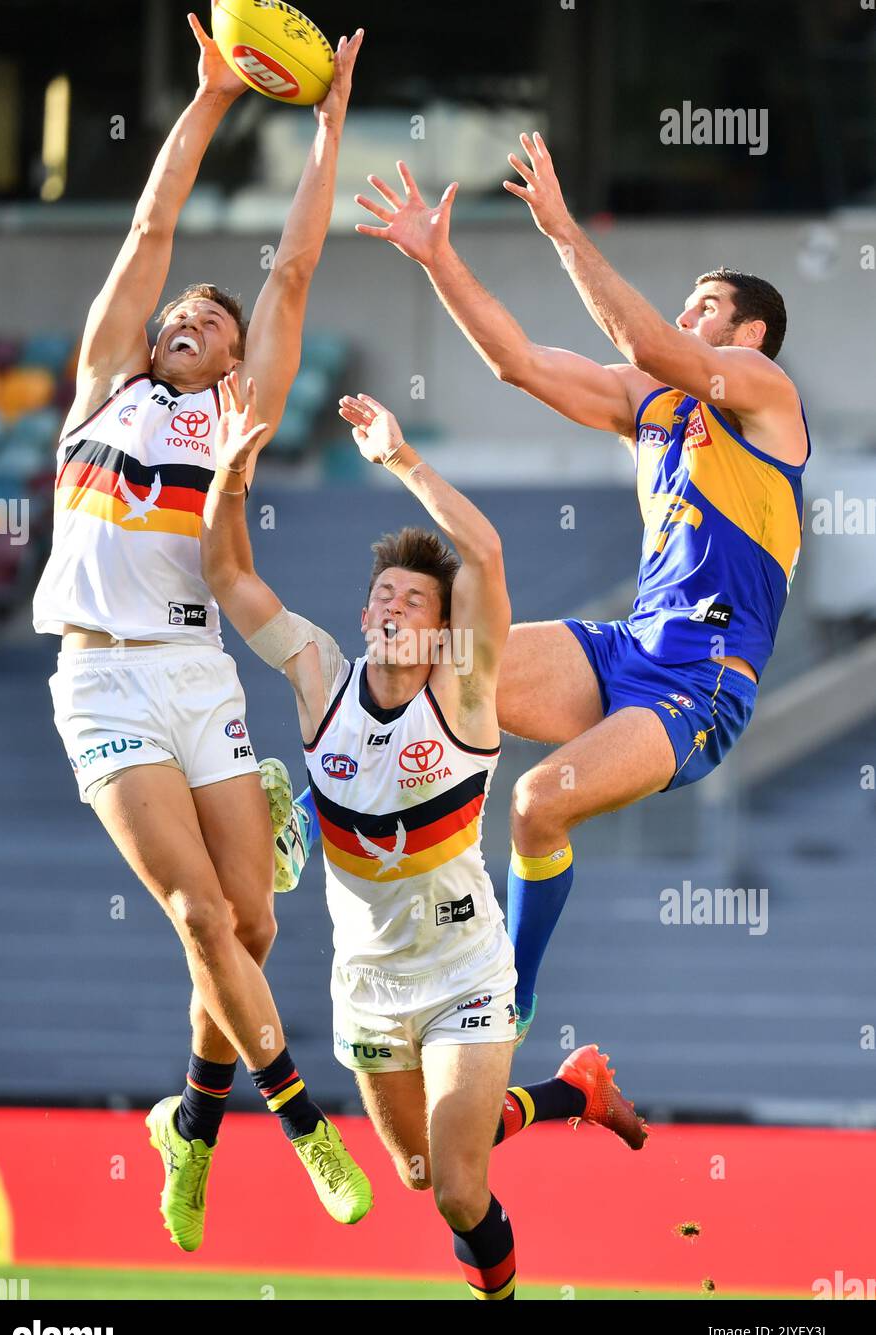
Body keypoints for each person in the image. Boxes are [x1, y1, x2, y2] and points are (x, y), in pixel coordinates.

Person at [273, 135, 810, 1043]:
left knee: (536, 804)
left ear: (748, 333)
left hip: (701, 681)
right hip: (630, 648)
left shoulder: (763, 391)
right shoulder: (657, 411)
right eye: (685, 305)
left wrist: (561, 228)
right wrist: (440, 257)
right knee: (436, 662)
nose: (684, 319)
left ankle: (510, 999)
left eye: (704, 308)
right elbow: (516, 361)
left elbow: (641, 339)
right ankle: (315, 805)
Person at [31, 16, 371, 1251]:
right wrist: (216, 96)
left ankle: (188, 1118)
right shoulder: (104, 387)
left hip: (194, 669)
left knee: (257, 927)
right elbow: (150, 227)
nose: (187, 315)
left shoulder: (241, 409)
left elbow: (290, 270)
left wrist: (328, 123)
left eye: (208, 321)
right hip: (102, 686)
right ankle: (300, 1122)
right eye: (179, 312)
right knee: (200, 920)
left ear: (232, 356)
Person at [201, 373, 646, 1300]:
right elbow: (230, 577)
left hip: (466, 977)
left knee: (456, 1189)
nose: (394, 607)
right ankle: (574, 1092)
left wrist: (400, 458)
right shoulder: (321, 674)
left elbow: (480, 552)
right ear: (365, 613)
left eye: (414, 599)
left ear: (445, 630)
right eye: (383, 596)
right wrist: (231, 474)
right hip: (367, 985)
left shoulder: (464, 691)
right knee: (417, 1174)